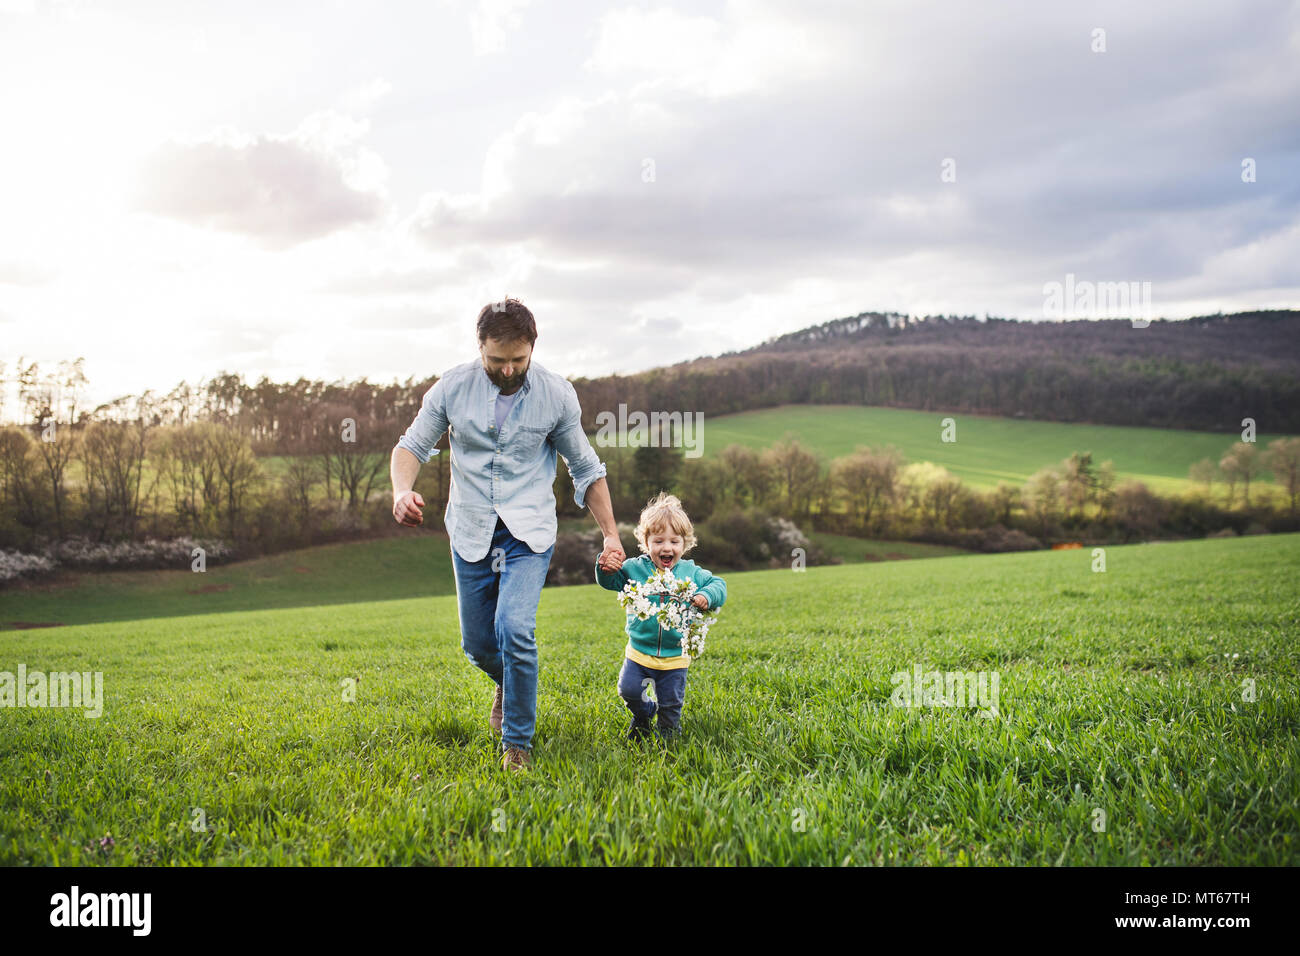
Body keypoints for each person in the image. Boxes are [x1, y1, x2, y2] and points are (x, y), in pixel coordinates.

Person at [390, 298, 626, 772]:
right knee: (478, 645)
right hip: (472, 529)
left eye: (518, 360)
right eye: (497, 361)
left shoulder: (557, 395)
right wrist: (401, 491)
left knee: (515, 630)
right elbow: (411, 445)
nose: (508, 370)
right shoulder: (451, 389)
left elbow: (586, 468)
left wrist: (612, 537)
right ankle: (512, 682)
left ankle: (517, 744)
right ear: (480, 348)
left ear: (532, 348)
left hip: (528, 534)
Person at [595, 491, 726, 742]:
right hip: (639, 652)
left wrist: (706, 596)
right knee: (629, 691)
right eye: (658, 541)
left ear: (684, 544)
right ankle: (643, 715)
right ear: (646, 543)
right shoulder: (634, 569)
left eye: (674, 542)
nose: (667, 547)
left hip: (675, 656)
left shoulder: (691, 572)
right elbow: (611, 581)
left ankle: (668, 736)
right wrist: (605, 567)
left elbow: (718, 584)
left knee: (671, 702)